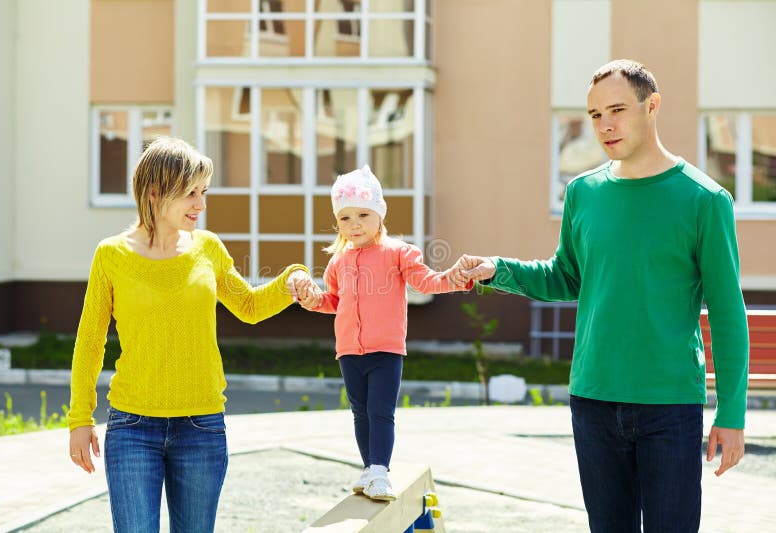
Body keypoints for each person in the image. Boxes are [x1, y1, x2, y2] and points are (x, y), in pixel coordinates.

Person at [451, 59, 749, 532]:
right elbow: (566, 276)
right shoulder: (583, 193)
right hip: (593, 401)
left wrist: (731, 414)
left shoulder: (705, 200)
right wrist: (497, 270)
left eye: (617, 110)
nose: (605, 125)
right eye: (594, 115)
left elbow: (729, 316)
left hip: (669, 405)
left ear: (652, 106)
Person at [67, 137, 312, 532]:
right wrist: (80, 418)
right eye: (190, 193)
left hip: (201, 426)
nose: (201, 204)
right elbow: (90, 342)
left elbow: (248, 306)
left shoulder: (208, 248)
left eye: (203, 192)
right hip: (132, 428)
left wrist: (292, 280)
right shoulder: (111, 255)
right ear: (154, 192)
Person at [292, 165, 471, 501]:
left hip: (386, 351)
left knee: (380, 411)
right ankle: (368, 469)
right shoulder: (338, 262)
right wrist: (310, 299)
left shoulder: (398, 252)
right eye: (345, 218)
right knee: (360, 412)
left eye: (363, 214)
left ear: (379, 214)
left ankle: (380, 471)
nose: (354, 224)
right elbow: (333, 301)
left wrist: (455, 278)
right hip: (348, 351)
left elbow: (426, 282)